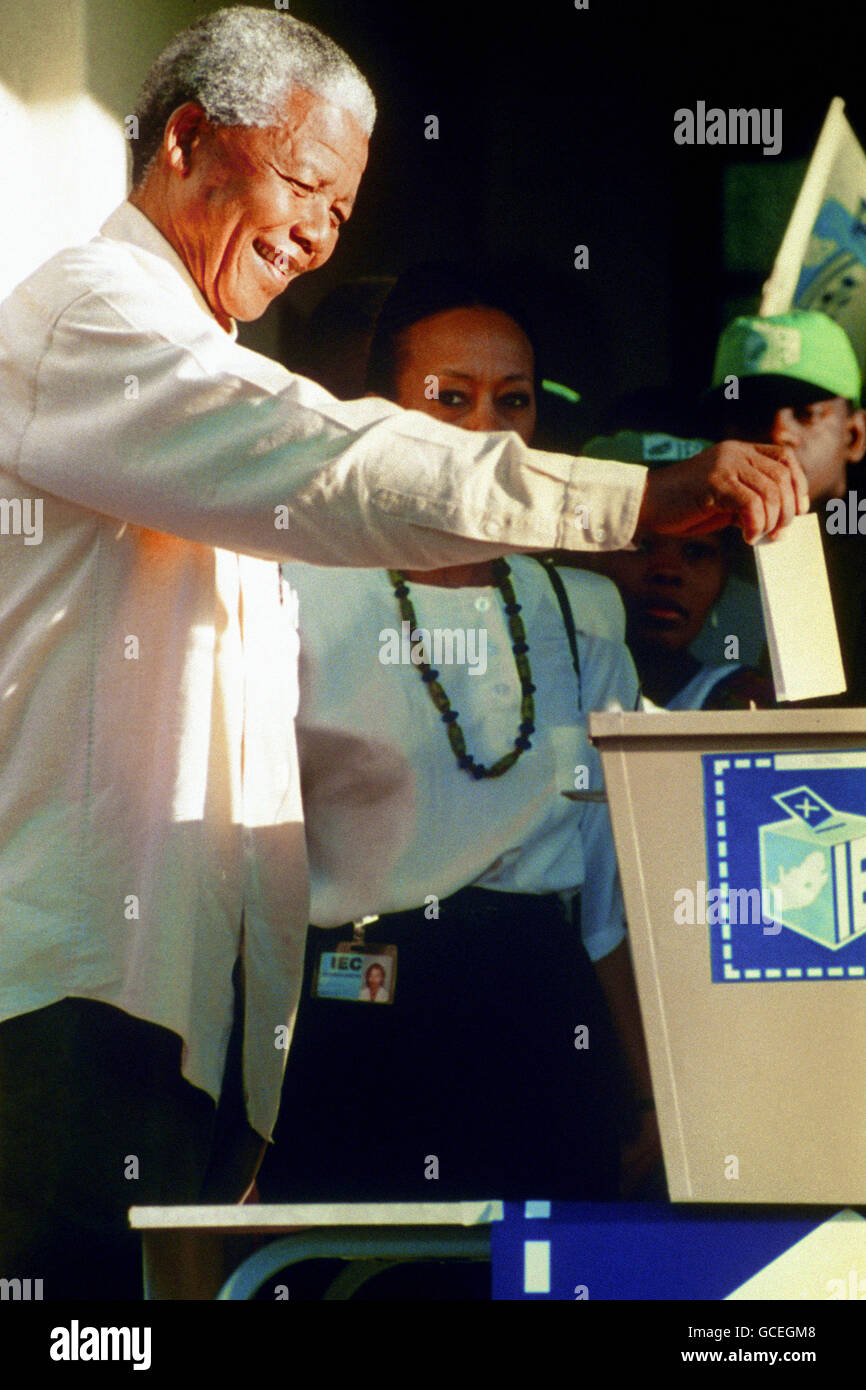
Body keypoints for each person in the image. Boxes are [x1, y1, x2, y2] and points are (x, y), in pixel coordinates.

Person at [0, 6, 805, 1298]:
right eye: (305, 182)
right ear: (192, 142)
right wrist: (631, 498)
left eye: (342, 204)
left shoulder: (189, 356)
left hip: (196, 1006)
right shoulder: (95, 324)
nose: (320, 231)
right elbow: (335, 457)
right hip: (90, 983)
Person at [258, 264, 662, 1210]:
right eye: (451, 398)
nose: (485, 430)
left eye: (511, 401)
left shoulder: (585, 611)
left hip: (540, 1014)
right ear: (384, 416)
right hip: (359, 1018)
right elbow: (243, 868)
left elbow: (610, 895)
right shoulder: (294, 589)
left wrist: (647, 1090)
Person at [701, 309, 866, 703]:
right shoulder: (690, 556)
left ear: (855, 435)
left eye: (805, 413)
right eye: (751, 412)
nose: (778, 432)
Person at [581, 431, 775, 709]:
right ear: (585, 557)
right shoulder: (534, 681)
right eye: (639, 545)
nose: (668, 572)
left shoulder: (749, 703)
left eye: (696, 552)